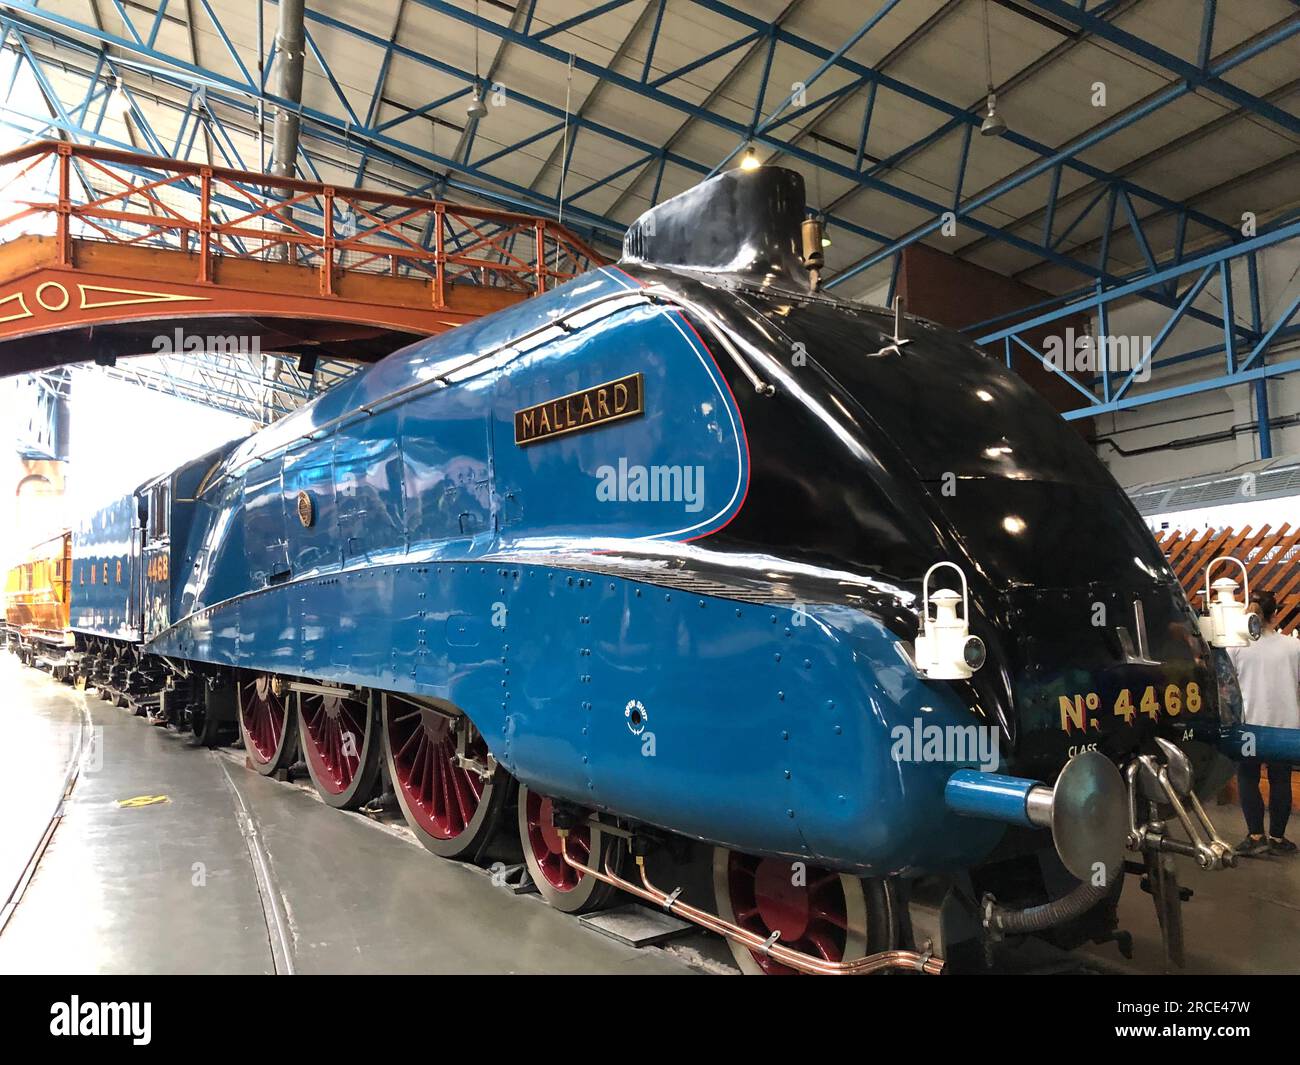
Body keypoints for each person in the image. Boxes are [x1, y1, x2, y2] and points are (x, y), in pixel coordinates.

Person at [1228, 590, 1299, 857]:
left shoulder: (1237, 646)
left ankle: (1255, 836)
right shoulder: (1295, 647)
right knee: (1280, 780)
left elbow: (1227, 684)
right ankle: (1278, 839)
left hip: (1249, 724)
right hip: (1285, 726)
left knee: (1248, 778)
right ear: (1276, 614)